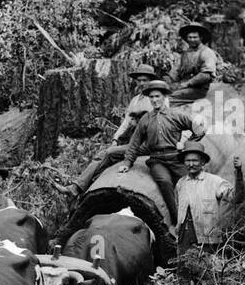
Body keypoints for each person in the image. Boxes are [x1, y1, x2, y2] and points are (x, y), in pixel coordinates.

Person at [57, 64, 162, 201]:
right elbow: (126, 122)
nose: (142, 83)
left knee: (108, 153)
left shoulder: (156, 99)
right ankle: (82, 187)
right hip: (132, 140)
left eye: (145, 80)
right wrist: (116, 138)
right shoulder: (135, 100)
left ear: (151, 80)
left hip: (146, 143)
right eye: (139, 80)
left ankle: (77, 188)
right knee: (104, 155)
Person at [117, 80, 205, 225]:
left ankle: (198, 220)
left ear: (164, 97)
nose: (154, 100)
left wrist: (186, 144)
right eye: (151, 97)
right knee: (164, 182)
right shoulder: (145, 119)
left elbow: (200, 130)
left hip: (176, 157)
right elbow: (134, 143)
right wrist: (127, 162)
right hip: (157, 160)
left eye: (157, 96)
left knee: (190, 183)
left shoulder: (176, 115)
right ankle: (178, 221)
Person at [175, 142, 245, 252]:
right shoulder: (181, 184)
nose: (191, 164)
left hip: (208, 241)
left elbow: (237, 198)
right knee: (184, 267)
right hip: (184, 240)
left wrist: (239, 172)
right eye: (188, 160)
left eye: (195, 160)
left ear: (202, 162)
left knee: (206, 268)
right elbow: (178, 207)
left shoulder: (214, 182)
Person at [169, 22, 217, 103]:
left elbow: (206, 75)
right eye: (190, 37)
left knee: (172, 97)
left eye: (195, 37)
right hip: (184, 86)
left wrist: (188, 83)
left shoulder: (206, 52)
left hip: (200, 89)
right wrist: (171, 81)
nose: (192, 40)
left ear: (201, 38)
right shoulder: (185, 54)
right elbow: (175, 71)